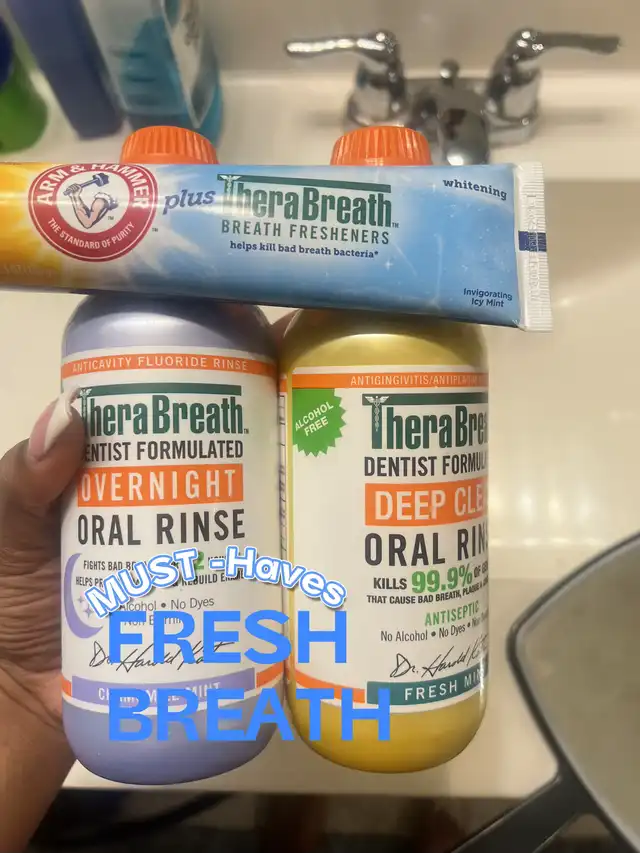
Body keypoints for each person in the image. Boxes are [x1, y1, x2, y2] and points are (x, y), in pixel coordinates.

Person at [0, 312, 295, 853]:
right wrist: (16, 689)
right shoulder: (100, 327)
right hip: (99, 678)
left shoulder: (231, 327)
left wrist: (20, 695)